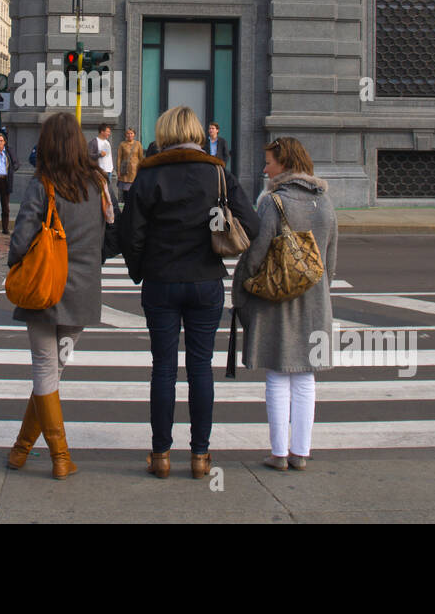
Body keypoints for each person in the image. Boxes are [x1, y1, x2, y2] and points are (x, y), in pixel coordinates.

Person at [120, 105, 259, 480]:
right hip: (204, 280)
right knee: (200, 368)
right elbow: (252, 223)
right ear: (198, 133)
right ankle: (200, 456)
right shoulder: (217, 173)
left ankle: (161, 455)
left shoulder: (148, 176)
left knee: (162, 368)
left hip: (162, 282)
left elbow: (129, 233)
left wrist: (140, 272)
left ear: (163, 133)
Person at [6, 112, 109, 479]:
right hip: (82, 293)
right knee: (52, 372)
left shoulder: (42, 184)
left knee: (45, 371)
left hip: (44, 288)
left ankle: (60, 457)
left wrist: (12, 264)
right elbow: (106, 237)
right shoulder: (98, 184)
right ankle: (20, 449)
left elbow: (21, 239)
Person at [231, 137, 337, 471]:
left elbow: (256, 253)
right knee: (305, 378)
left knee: (278, 374)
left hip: (276, 299)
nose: (265, 168)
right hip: (314, 298)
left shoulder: (273, 202)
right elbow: (330, 261)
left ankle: (278, 453)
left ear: (285, 163)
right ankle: (301, 452)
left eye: (269, 162)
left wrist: (243, 288)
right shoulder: (326, 202)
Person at [89, 123, 115, 200]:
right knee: (101, 192)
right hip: (100, 171)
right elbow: (88, 155)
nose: (109, 133)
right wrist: (99, 155)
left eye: (109, 132)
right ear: (102, 131)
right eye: (107, 131)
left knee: (108, 192)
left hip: (109, 171)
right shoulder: (94, 142)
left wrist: (111, 167)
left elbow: (108, 157)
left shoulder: (107, 142)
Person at [116, 126, 142, 200]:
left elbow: (141, 158)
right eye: (128, 133)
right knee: (126, 191)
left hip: (135, 170)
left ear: (134, 134)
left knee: (134, 189)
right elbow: (119, 158)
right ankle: (126, 207)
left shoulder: (138, 144)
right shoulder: (122, 144)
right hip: (125, 170)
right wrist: (118, 170)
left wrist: (142, 169)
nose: (129, 135)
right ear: (125, 135)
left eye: (131, 133)